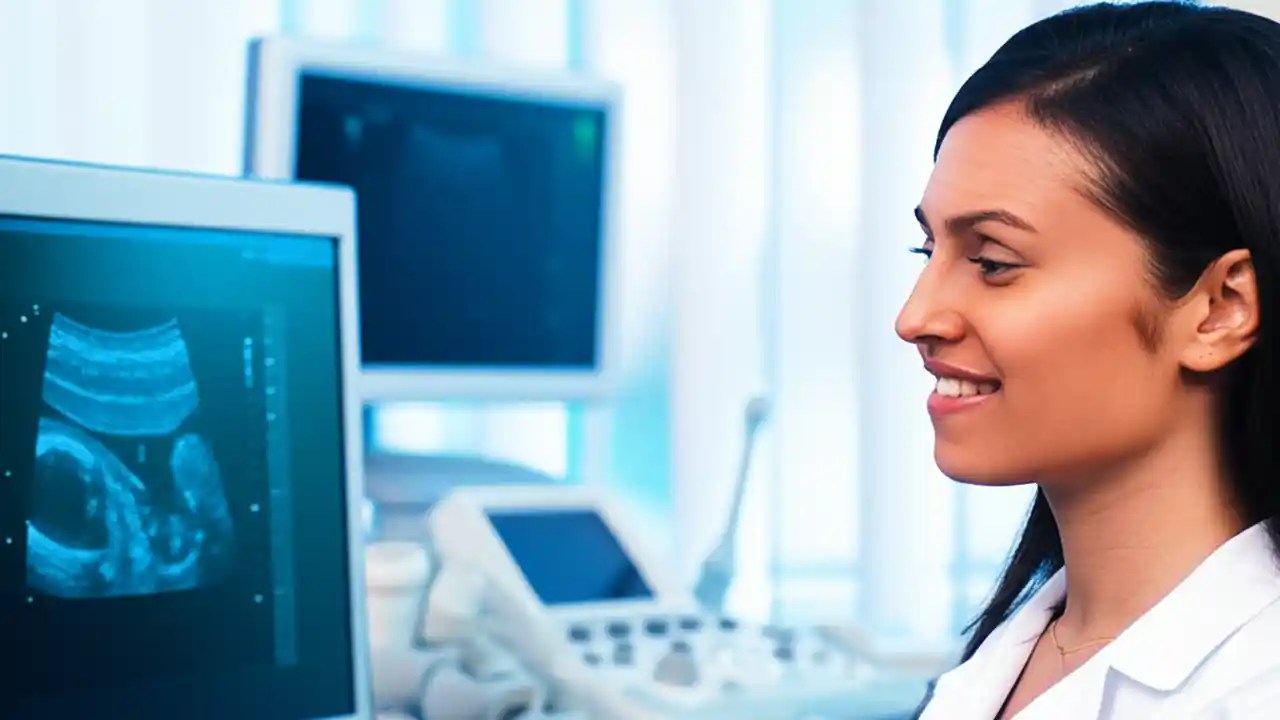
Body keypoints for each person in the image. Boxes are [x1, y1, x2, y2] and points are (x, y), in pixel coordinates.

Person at [895, 2, 1280, 718]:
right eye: (928, 251)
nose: (914, 318)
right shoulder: (1023, 648)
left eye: (992, 261)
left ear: (1220, 307)